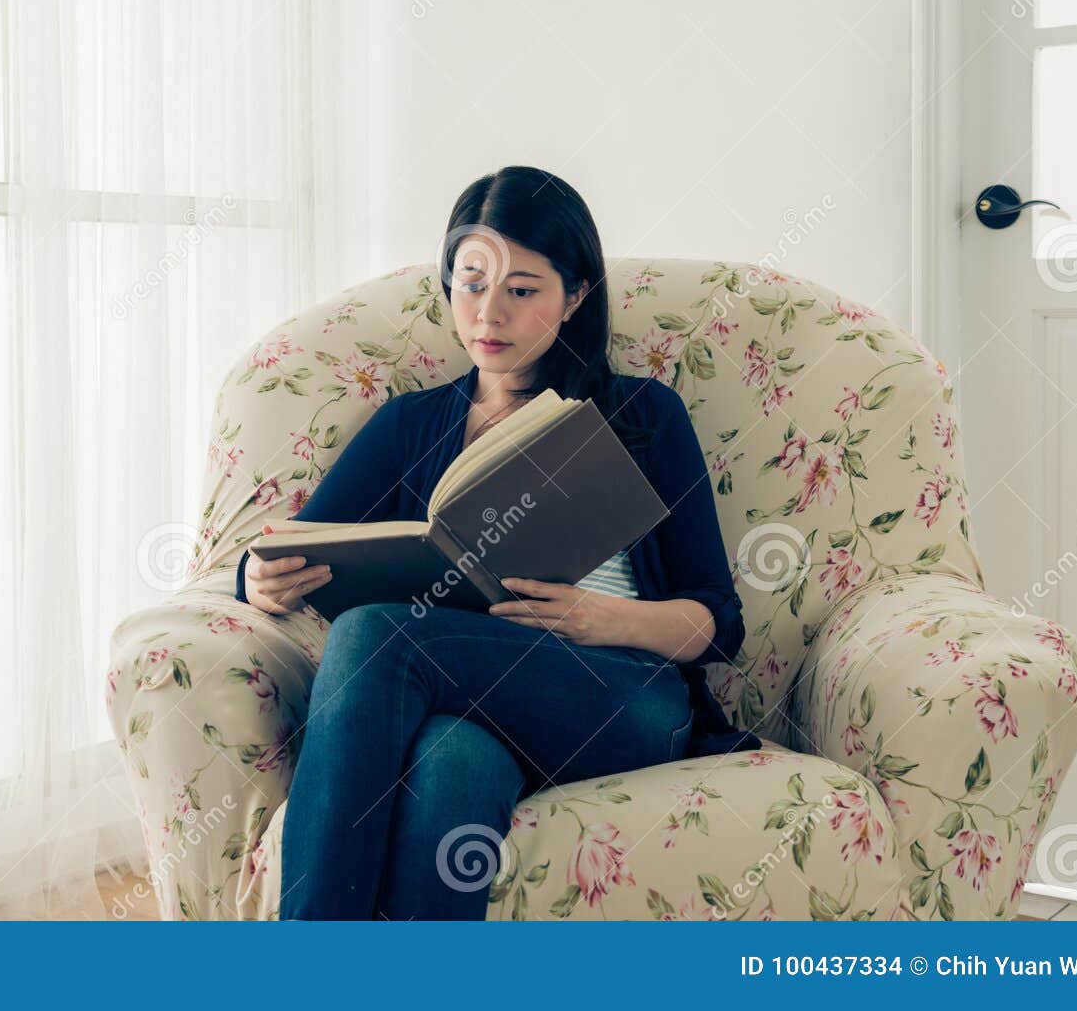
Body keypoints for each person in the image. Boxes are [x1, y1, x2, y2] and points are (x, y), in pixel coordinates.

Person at [233, 165, 759, 921]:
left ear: (575, 296)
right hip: (467, 709)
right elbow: (292, 545)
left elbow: (720, 618)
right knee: (449, 766)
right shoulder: (410, 426)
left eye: (522, 289)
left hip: (625, 698)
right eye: (471, 282)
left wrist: (600, 620)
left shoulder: (644, 415)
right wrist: (256, 580)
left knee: (377, 636)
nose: (489, 312)